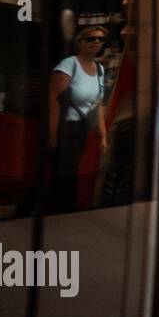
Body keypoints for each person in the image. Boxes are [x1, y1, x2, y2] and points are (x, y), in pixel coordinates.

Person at [48, 24, 109, 211]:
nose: (96, 42)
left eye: (100, 39)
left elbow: (97, 104)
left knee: (67, 173)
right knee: (67, 174)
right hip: (66, 128)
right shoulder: (69, 65)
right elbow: (53, 98)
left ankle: (54, 210)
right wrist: (52, 133)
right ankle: (66, 212)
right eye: (91, 38)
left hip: (82, 129)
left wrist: (103, 134)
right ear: (80, 42)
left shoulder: (99, 70)